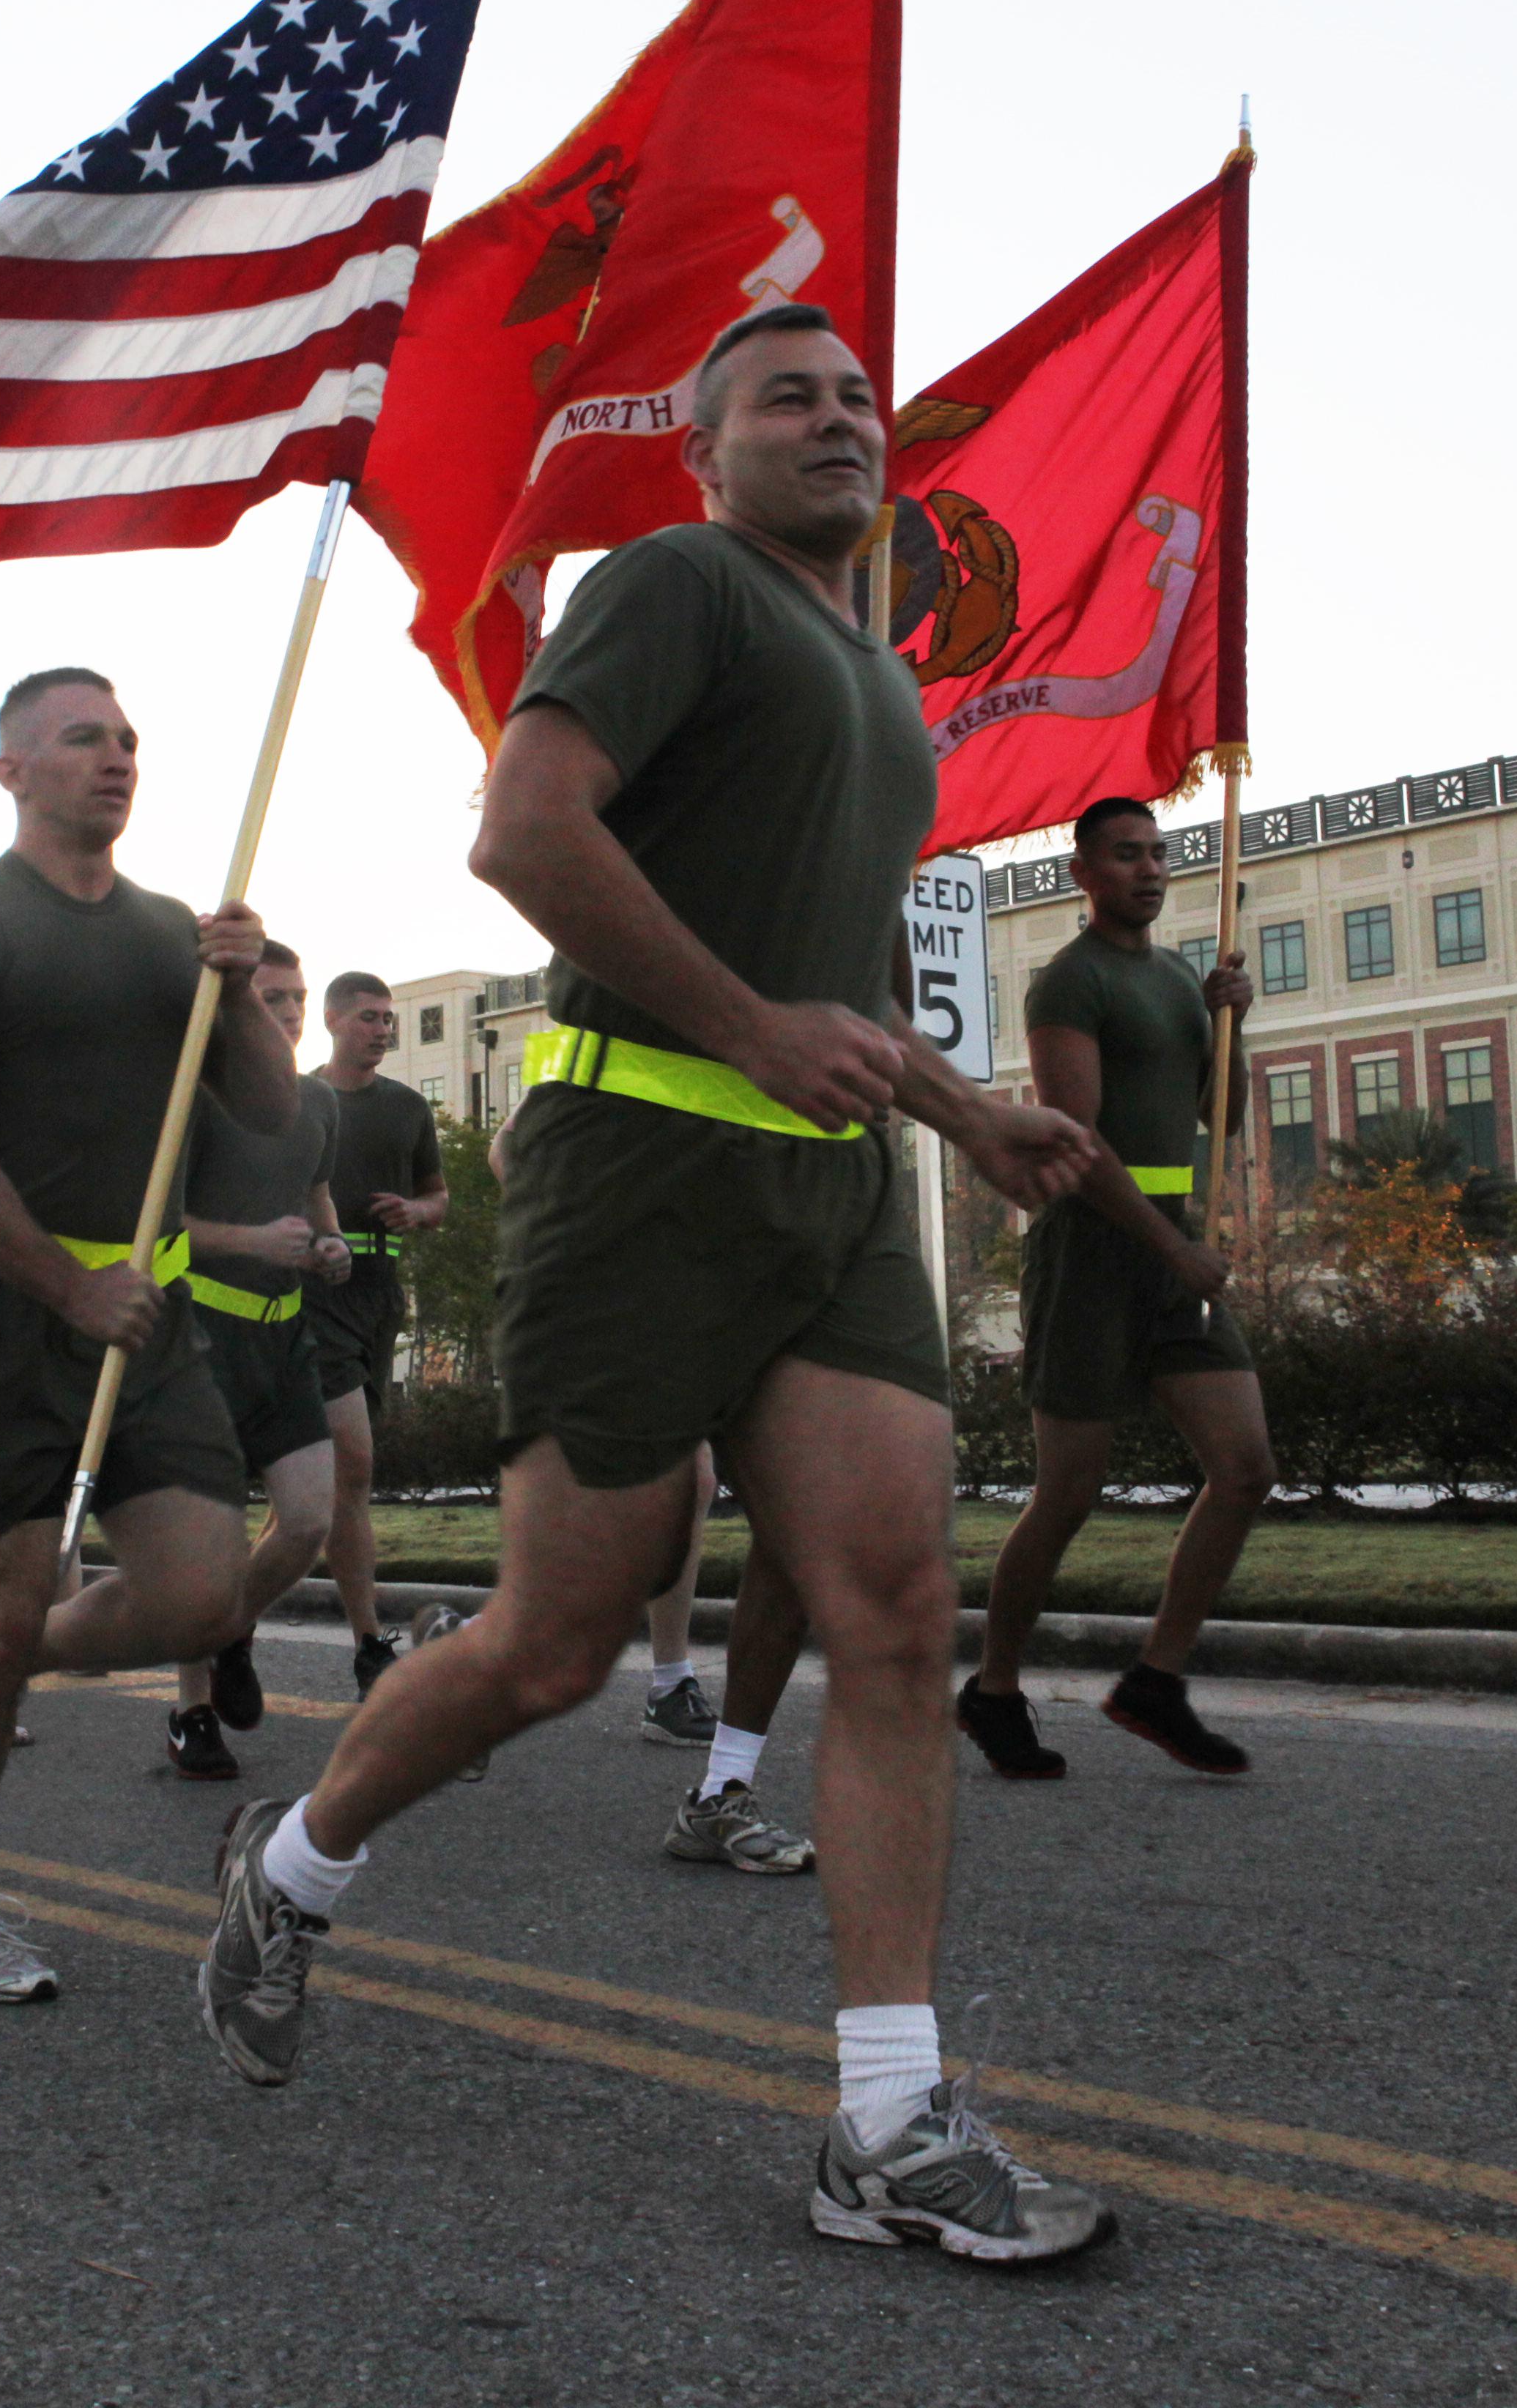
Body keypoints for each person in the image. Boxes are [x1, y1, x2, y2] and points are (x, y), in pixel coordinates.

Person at [193, 302, 1114, 2264]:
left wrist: (962, 1113)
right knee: (556, 1641)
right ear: (704, 452)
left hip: (834, 1190)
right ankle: (289, 1868)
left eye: (858, 395)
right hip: (643, 1157)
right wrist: (753, 1029)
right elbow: (525, 833)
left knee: (891, 1607)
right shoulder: (679, 582)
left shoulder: (875, 676)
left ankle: (887, 2116)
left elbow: (838, 967)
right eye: (786, 396)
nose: (839, 419)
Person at [0, 666, 293, 1995]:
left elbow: (275, 1117)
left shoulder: (176, 930)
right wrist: (66, 1282)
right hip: (6, 1311)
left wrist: (236, 990)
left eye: (125, 738)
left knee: (199, 1590)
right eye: (80, 738)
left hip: (148, 1317)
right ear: (12, 770)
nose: (113, 757)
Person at [956, 798, 1272, 1781]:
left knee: (1246, 1467)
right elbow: (1078, 1145)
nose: (1148, 869)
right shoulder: (1069, 983)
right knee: (1069, 1490)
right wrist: (1172, 1253)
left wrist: (1233, 1027)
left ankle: (1156, 1683)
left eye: (1157, 853)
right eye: (1125, 856)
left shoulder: (1183, 977)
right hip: (1095, 1249)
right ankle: (994, 1689)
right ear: (1081, 873)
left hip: (1176, 1243)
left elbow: (1222, 1120)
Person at [160, 940, 346, 1780]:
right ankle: (190, 1711)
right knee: (207, 1541)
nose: (292, 1013)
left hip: (287, 1334)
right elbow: (159, 1227)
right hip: (202, 1333)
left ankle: (231, 1625)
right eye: (273, 999)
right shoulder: (195, 1100)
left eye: (299, 998)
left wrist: (330, 1240)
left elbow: (312, 1189)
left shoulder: (318, 1104)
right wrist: (254, 1242)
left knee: (309, 1521)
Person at [304, 973, 445, 1690]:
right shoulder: (301, 1101)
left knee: (328, 1490)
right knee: (352, 1468)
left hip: (382, 1299)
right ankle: (368, 1643)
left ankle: (232, 1616)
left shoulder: (410, 1108)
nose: (384, 1029)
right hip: (315, 1298)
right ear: (332, 1020)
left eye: (390, 1019)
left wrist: (418, 1214)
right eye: (369, 1017)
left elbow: (439, 1196)